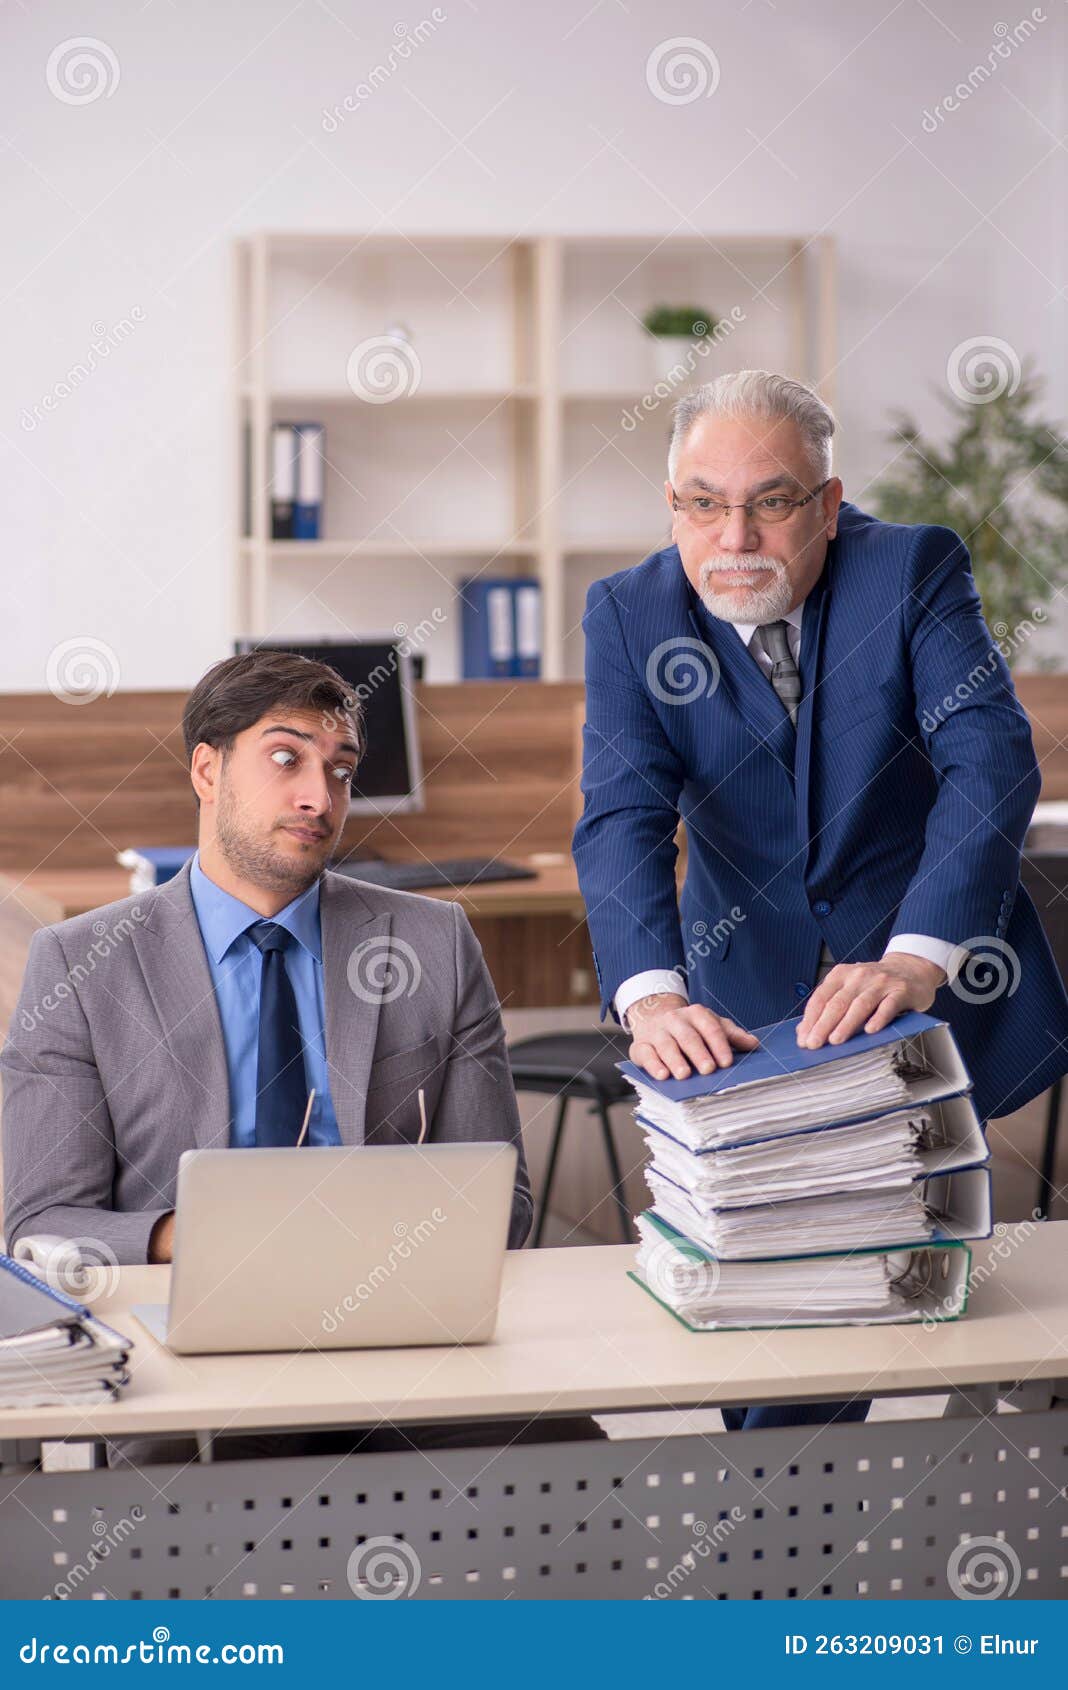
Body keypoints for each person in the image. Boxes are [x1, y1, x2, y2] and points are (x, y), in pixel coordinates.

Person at [573, 368, 1068, 1433]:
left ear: (830, 505)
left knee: (892, 1286)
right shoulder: (628, 612)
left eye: (772, 501)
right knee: (762, 1297)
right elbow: (621, 813)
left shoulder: (909, 569)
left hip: (912, 995)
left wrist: (917, 956)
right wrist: (652, 995)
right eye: (703, 503)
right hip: (744, 1006)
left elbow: (989, 760)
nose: (735, 536)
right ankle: (791, 1522)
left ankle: (795, 1523)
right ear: (672, 506)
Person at [3, 650, 598, 1461]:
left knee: (576, 1474)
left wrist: (377, 1248)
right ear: (207, 771)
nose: (320, 796)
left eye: (341, 769)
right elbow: (42, 1224)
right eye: (286, 760)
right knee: (200, 1502)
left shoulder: (434, 943)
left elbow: (507, 1205)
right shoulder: (81, 964)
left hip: (406, 1338)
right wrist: (203, 1236)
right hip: (193, 1356)